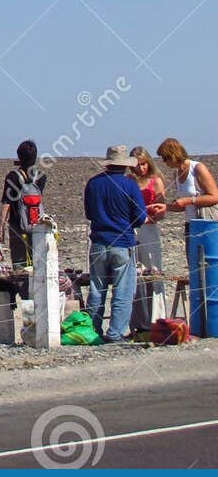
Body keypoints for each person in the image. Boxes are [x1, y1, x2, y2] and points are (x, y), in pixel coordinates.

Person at [83, 145, 146, 343]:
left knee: (97, 290)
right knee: (123, 291)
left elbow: (89, 214)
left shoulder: (93, 183)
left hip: (99, 242)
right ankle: (115, 333)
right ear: (125, 165)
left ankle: (92, 332)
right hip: (122, 242)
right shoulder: (130, 185)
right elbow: (140, 217)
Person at [130, 145, 166, 332]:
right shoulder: (129, 181)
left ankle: (158, 319)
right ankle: (139, 322)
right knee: (137, 274)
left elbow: (162, 210)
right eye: (138, 164)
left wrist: (152, 215)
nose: (141, 168)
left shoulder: (156, 181)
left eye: (144, 163)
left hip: (149, 229)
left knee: (154, 272)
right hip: (133, 229)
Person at [0, 139, 47, 268]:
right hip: (36, 223)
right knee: (37, 264)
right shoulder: (41, 177)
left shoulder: (12, 177)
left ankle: (21, 281)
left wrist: (1, 226)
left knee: (19, 264)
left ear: (19, 156)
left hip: (16, 225)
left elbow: (6, 202)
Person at [156, 138, 218, 221]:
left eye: (165, 158)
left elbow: (215, 197)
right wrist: (166, 207)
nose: (164, 162)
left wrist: (188, 200)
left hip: (206, 221)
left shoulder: (197, 168)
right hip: (190, 223)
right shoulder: (176, 174)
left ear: (172, 155)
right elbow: (184, 206)